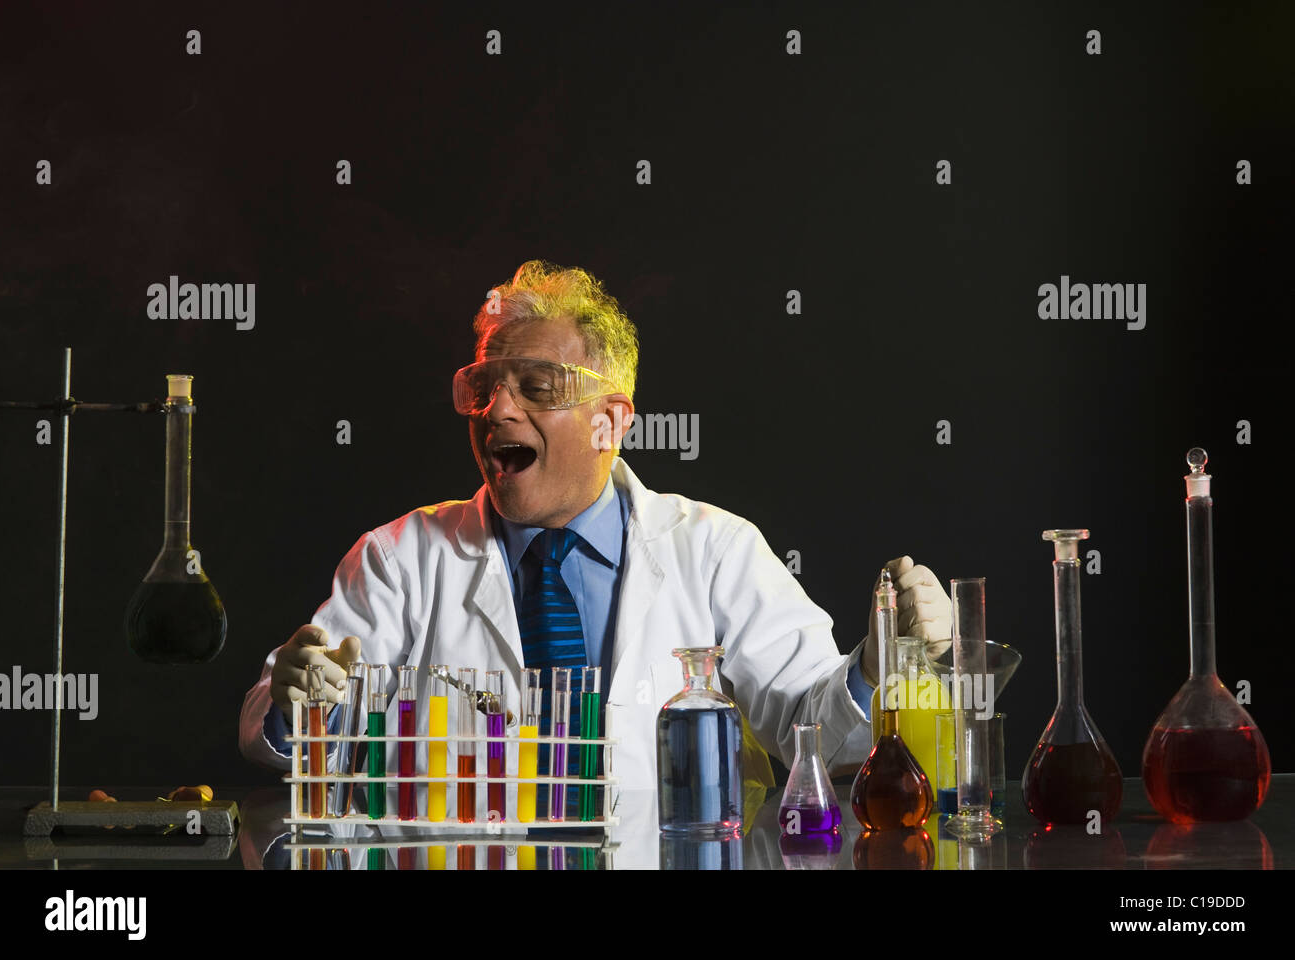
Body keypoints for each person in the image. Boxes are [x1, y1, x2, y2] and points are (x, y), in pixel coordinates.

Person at [238, 260, 951, 819]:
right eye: (484, 385)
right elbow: (284, 732)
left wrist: (878, 664)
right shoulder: (401, 559)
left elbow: (815, 734)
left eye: (536, 387)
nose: (498, 410)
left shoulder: (714, 550)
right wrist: (299, 705)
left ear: (611, 422)